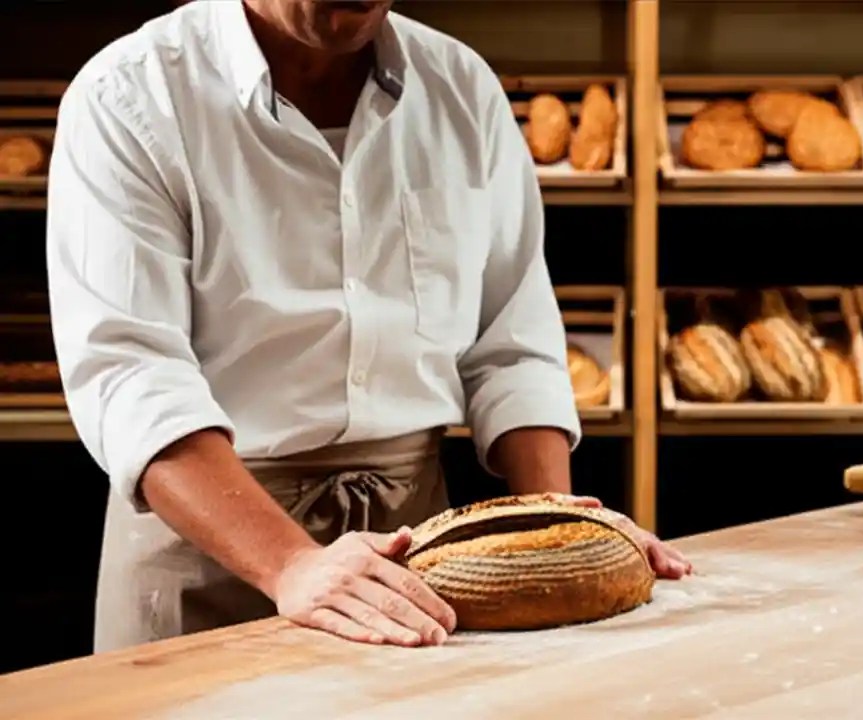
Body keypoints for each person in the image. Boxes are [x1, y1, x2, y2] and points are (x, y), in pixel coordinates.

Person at [46, 0, 690, 654]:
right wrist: (292, 563)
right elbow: (131, 376)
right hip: (205, 553)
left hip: (421, 567)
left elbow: (512, 345)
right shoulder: (127, 97)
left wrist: (556, 523)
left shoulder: (462, 90)